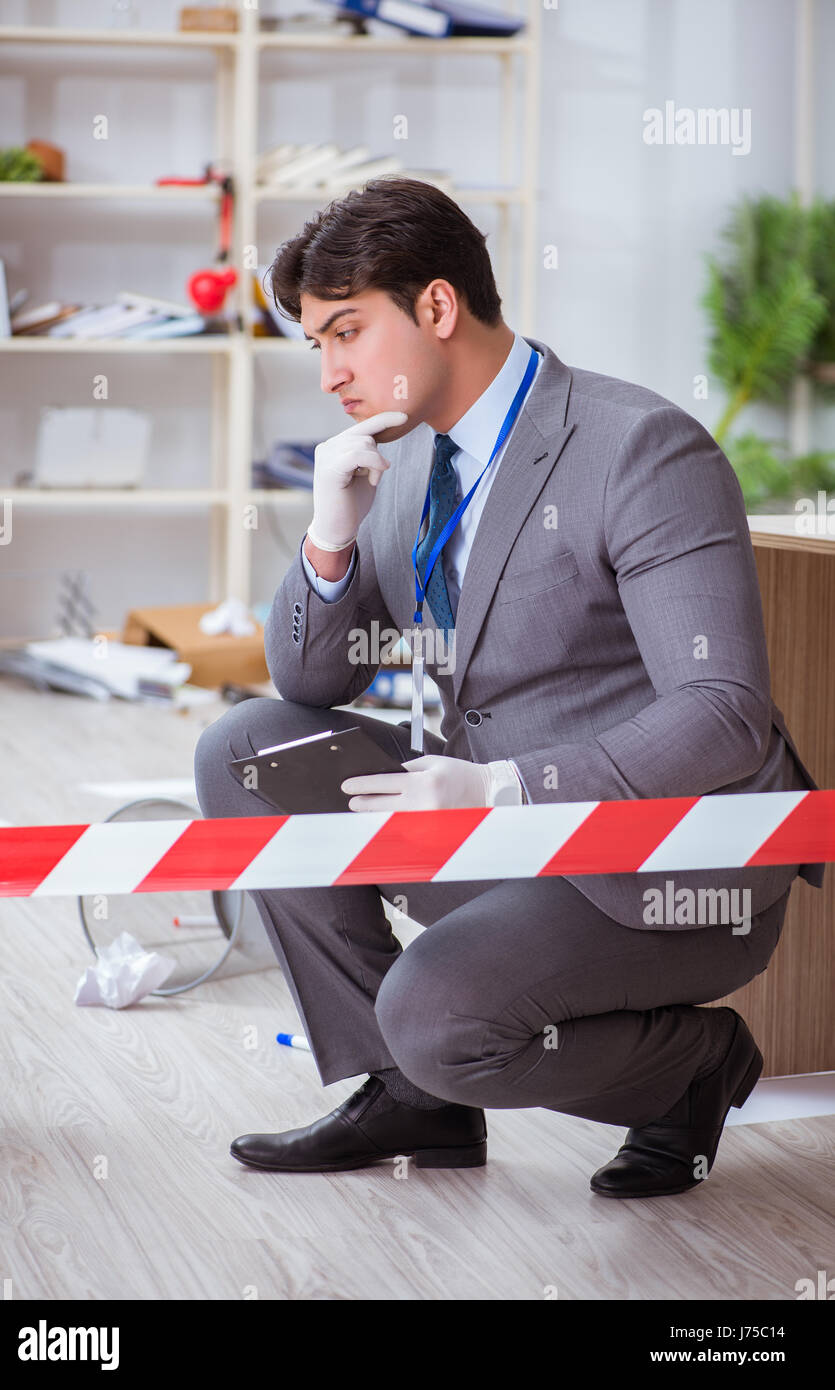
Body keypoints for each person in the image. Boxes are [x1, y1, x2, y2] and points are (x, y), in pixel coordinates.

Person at [194, 177, 824, 1197]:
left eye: (346, 333)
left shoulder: (638, 446)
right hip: (511, 839)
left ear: (437, 308)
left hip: (662, 861)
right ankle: (411, 1097)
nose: (331, 372)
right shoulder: (399, 477)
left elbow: (724, 713)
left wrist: (502, 789)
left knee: (436, 1011)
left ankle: (692, 1068)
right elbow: (310, 680)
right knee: (248, 747)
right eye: (317, 345)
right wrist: (328, 535)